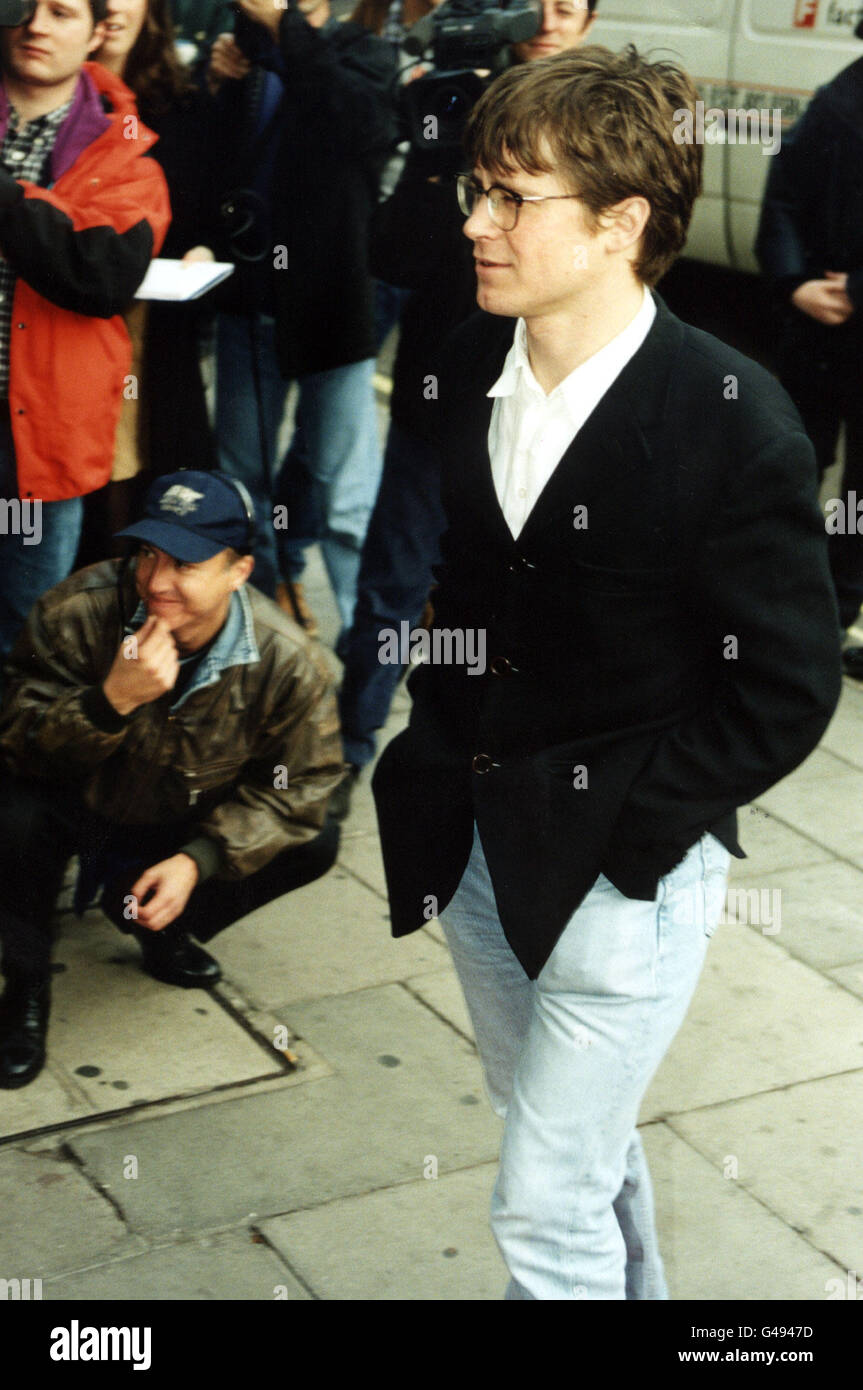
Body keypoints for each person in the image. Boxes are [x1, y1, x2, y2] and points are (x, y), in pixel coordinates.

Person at [372, 46, 842, 1299]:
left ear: (620, 223)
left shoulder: (733, 417)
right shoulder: (474, 358)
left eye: (510, 197)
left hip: (622, 882)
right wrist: (435, 742)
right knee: (559, 1135)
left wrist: (637, 825)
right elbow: (468, 594)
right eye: (478, 188)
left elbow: (789, 687)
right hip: (476, 854)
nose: (474, 221)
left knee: (539, 1205)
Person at [331, 0, 597, 818]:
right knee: (393, 588)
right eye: (538, 0)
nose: (551, 16)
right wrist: (438, 144)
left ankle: (498, 765)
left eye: (570, 3)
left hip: (555, 408)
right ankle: (346, 757)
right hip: (438, 402)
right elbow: (398, 252)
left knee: (530, 602)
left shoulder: (603, 120)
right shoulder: (460, 100)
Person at [0, 470, 343, 1090]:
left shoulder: (287, 661)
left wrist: (201, 859)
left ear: (239, 571)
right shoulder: (78, 611)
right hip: (75, 800)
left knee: (316, 842)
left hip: (180, 815)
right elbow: (16, 743)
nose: (156, 582)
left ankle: (155, 917)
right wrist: (109, 703)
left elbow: (305, 785)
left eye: (185, 564)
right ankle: (24, 983)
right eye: (149, 554)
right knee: (13, 817)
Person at [206, 0, 397, 637]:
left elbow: (361, 124)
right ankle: (257, 631)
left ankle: (366, 656)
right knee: (243, 484)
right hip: (249, 307)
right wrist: (219, 86)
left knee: (345, 498)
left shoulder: (359, 51)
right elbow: (218, 168)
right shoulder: (247, 57)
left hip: (333, 316)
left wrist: (284, 31)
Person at [0, 0, 170, 667]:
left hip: (39, 440)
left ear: (101, 32)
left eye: (62, 11)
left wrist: (9, 202)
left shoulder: (128, 158)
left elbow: (99, 276)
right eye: (23, 6)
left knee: (25, 637)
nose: (36, 24)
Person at [77, 0, 219, 563]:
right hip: (65, 320)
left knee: (145, 467)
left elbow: (212, 214)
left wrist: (206, 248)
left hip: (154, 327)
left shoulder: (184, 104)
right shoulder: (44, 101)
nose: (110, 5)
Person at [755, 39, 863, 677]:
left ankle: (831, 617)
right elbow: (785, 194)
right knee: (794, 461)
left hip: (843, 308)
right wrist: (794, 281)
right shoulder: (841, 97)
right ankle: (789, 614)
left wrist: (854, 290)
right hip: (818, 329)